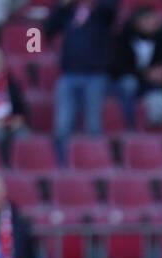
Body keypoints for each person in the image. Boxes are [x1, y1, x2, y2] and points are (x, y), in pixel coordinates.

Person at [47, 0, 118, 164]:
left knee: (94, 125)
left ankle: (94, 162)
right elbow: (48, 28)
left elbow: (112, 12)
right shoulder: (68, 12)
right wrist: (62, 5)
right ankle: (61, 163)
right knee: (62, 125)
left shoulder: (101, 12)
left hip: (95, 75)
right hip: (68, 74)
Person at [111, 4, 162, 128]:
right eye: (148, 20)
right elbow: (118, 67)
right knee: (128, 84)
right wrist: (145, 74)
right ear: (138, 23)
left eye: (154, 19)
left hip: (160, 79)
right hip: (136, 78)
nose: (154, 22)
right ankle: (130, 124)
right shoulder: (123, 39)